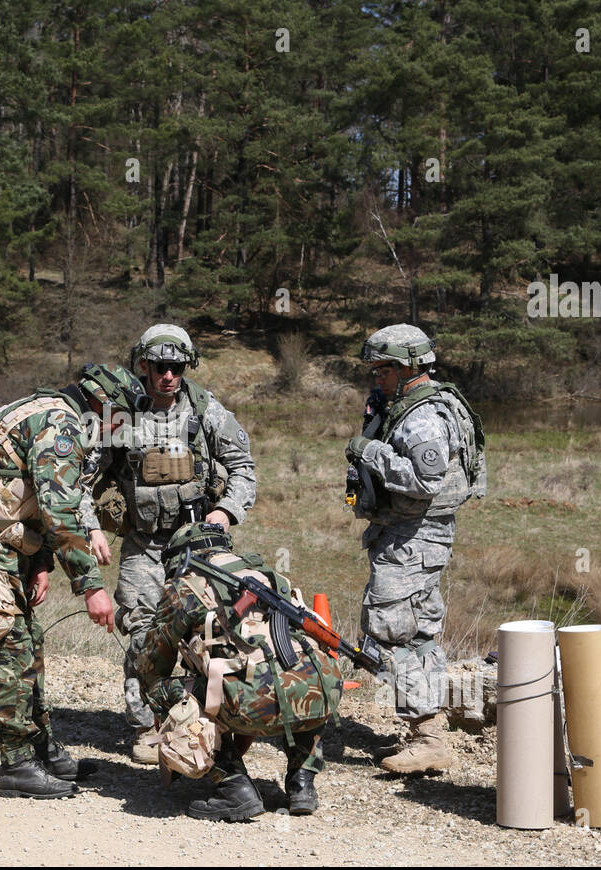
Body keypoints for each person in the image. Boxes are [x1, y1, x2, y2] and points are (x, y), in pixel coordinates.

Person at [0, 364, 142, 798]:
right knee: (9, 644)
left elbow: (30, 494)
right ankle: (16, 763)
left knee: (28, 638)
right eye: (119, 418)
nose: (117, 429)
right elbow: (59, 511)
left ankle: (41, 747)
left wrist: (39, 560)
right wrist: (91, 586)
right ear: (103, 403)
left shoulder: (47, 408)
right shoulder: (62, 423)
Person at [90, 324, 256, 764]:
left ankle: (208, 719)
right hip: (143, 543)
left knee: (209, 630)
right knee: (144, 629)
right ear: (143, 365)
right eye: (159, 366)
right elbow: (85, 476)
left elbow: (243, 468)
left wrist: (225, 513)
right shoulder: (120, 414)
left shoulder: (205, 410)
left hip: (197, 544)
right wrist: (91, 525)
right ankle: (148, 726)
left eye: (176, 367)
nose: (167, 375)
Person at [344, 324, 486, 773]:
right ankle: (427, 735)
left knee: (389, 630)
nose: (375, 378)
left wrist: (369, 452)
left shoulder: (423, 416)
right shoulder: (406, 405)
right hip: (411, 537)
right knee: (420, 632)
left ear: (406, 368)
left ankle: (427, 735)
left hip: (414, 538)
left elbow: (426, 480)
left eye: (381, 369)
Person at [135, 522, 342, 821]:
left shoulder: (186, 587)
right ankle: (302, 782)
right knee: (302, 675)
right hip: (319, 697)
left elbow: (154, 663)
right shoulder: (272, 577)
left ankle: (234, 787)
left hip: (251, 706)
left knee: (158, 688)